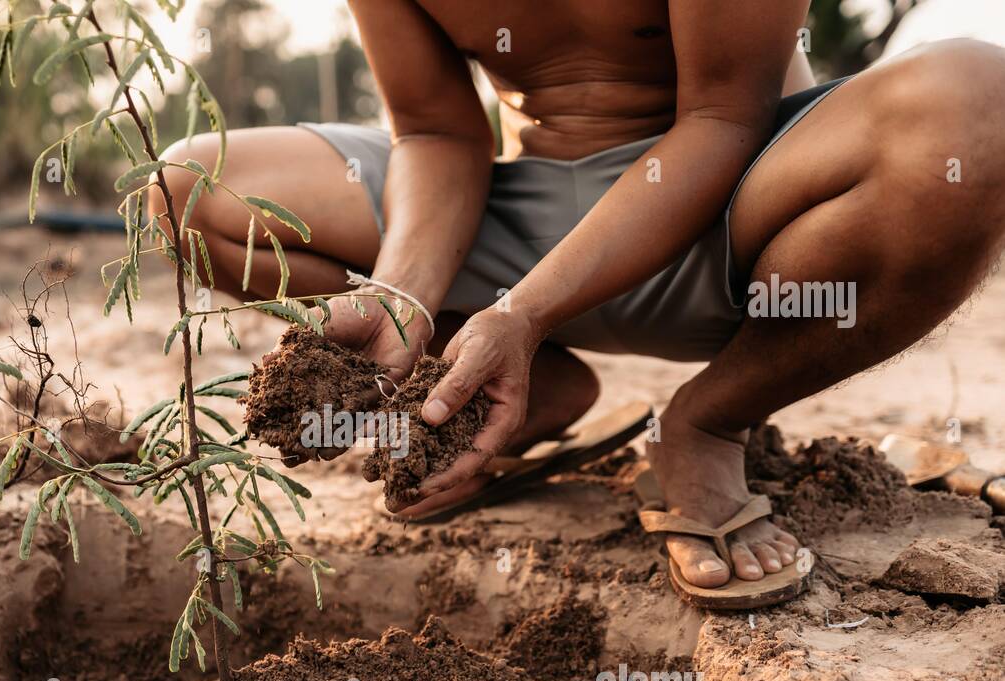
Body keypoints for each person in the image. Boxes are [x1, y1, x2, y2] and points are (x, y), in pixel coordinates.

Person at [156, 1, 1005, 605]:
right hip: (511, 216)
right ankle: (489, 383)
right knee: (187, 190)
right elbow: (436, 131)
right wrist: (402, 290)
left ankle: (709, 420)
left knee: (978, 102)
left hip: (735, 211)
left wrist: (524, 311)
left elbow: (722, 119)